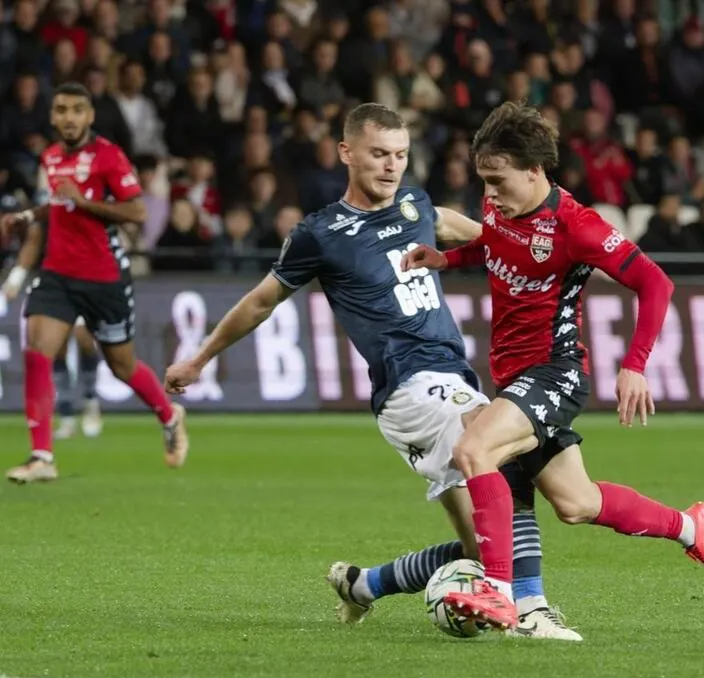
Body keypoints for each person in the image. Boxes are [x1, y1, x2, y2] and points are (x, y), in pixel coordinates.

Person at [163, 103, 580, 641]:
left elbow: (464, 231)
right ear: (347, 153)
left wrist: (525, 252)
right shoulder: (320, 234)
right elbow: (261, 302)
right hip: (410, 388)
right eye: (379, 154)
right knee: (501, 447)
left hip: (451, 377)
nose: (392, 167)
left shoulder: (414, 202)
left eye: (401, 155)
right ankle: (530, 612)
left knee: (482, 543)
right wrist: (199, 358)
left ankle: (363, 586)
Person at [402, 101, 704, 632]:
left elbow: (656, 283)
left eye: (498, 180)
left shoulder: (577, 226)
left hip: (555, 373)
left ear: (534, 171)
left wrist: (635, 364)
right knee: (576, 503)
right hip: (513, 378)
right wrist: (448, 258)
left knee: (474, 448)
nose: (488, 193)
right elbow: (495, 249)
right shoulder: (500, 210)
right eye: (483, 180)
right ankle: (691, 529)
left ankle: (499, 593)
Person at [0, 82, 188, 484]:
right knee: (37, 350)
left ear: (89, 117)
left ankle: (169, 416)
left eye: (77, 110)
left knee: (122, 366)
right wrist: (26, 229)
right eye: (62, 109)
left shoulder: (108, 157)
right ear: (53, 116)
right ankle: (42, 456)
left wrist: (83, 202)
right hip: (57, 275)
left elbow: (137, 212)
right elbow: (54, 208)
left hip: (104, 277)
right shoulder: (49, 158)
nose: (69, 117)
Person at [3, 224, 104, 440]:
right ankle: (66, 415)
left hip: (83, 281)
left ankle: (90, 401)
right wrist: (16, 279)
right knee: (57, 348)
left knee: (85, 339)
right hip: (54, 287)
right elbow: (33, 243)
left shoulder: (81, 216)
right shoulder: (47, 220)